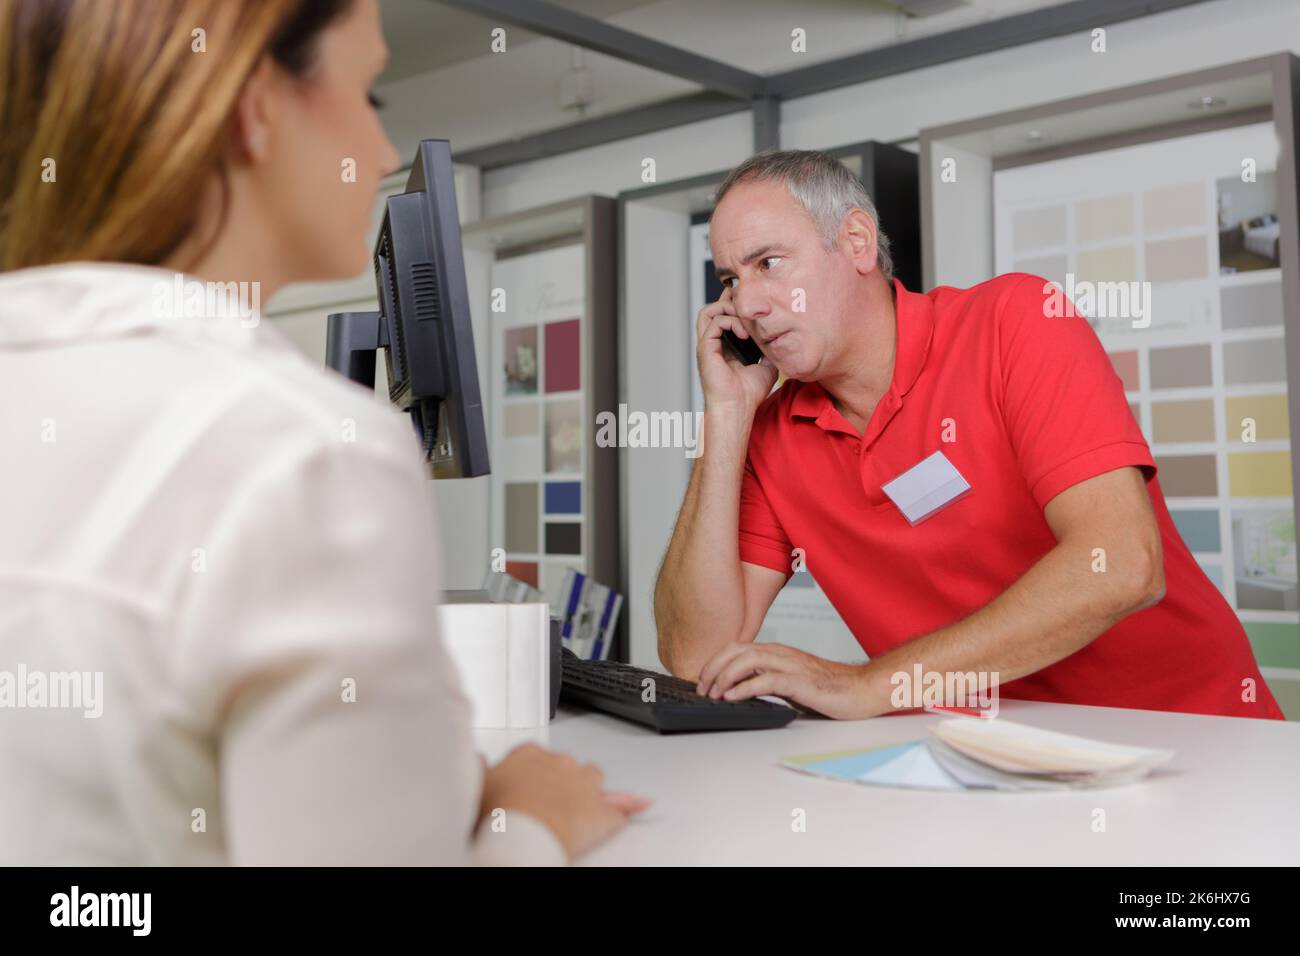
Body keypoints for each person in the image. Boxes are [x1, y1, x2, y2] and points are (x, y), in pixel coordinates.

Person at [0, 0, 646, 865]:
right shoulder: (303, 453)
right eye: (370, 94)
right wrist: (530, 823)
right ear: (253, 105)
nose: (383, 155)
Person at [655, 149, 1284, 721]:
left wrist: (872, 686)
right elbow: (698, 655)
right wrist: (727, 418)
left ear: (855, 242)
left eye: (769, 263)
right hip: (986, 764)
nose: (750, 305)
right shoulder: (770, 434)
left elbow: (1122, 565)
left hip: (1192, 741)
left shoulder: (1018, 321)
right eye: (731, 280)